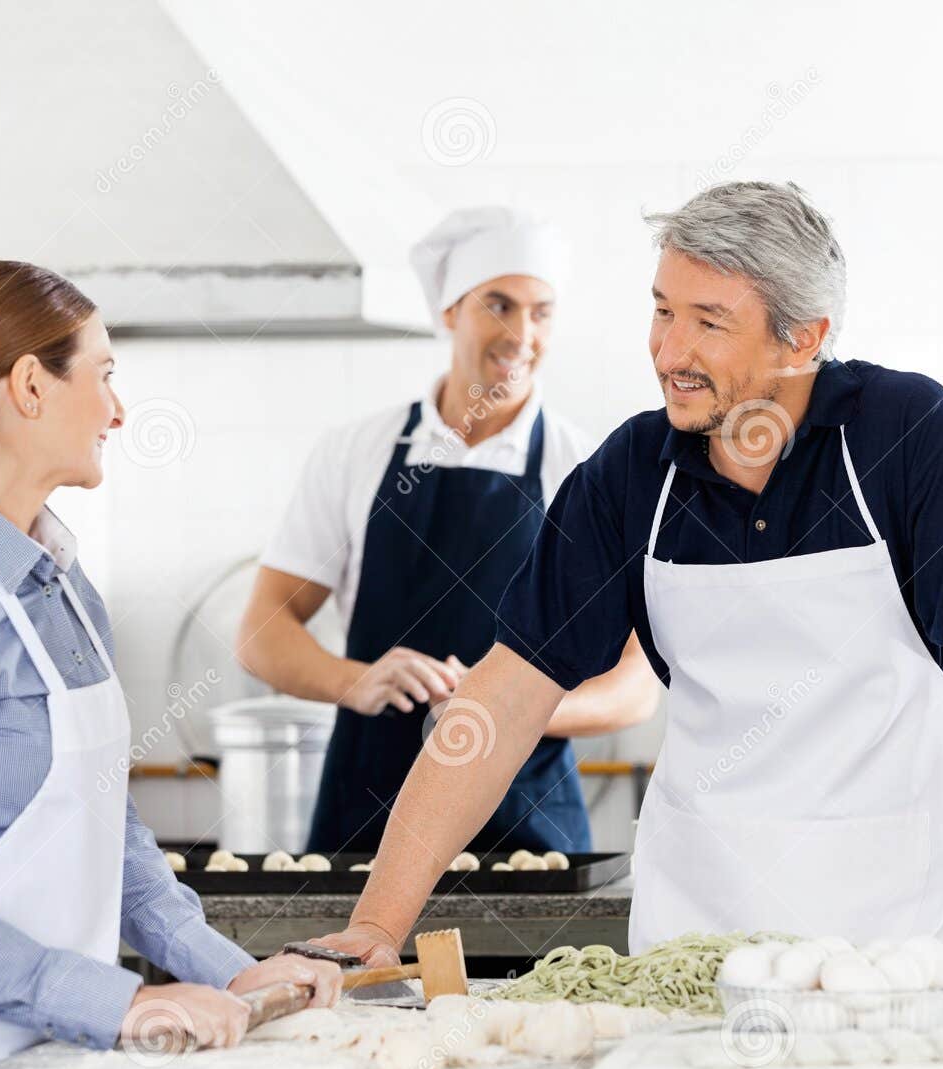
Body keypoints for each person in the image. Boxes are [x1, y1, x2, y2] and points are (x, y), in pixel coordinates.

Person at [311, 182, 943, 986]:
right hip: (695, 948)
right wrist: (377, 925)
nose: (670, 353)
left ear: (802, 340)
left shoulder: (910, 439)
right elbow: (502, 700)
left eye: (709, 323)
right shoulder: (631, 475)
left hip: (899, 947)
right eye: (664, 311)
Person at [0, 262, 343, 1069]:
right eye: (104, 376)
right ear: (29, 385)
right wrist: (121, 1003)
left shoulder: (57, 577)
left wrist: (222, 968)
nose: (119, 411)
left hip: (35, 1056)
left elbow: (107, 824)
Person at [238, 207, 659, 856]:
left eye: (541, 311)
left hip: (527, 833)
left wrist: (503, 709)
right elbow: (262, 633)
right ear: (449, 312)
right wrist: (354, 680)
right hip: (367, 820)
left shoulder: (584, 467)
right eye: (498, 304)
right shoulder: (356, 451)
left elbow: (635, 686)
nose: (522, 334)